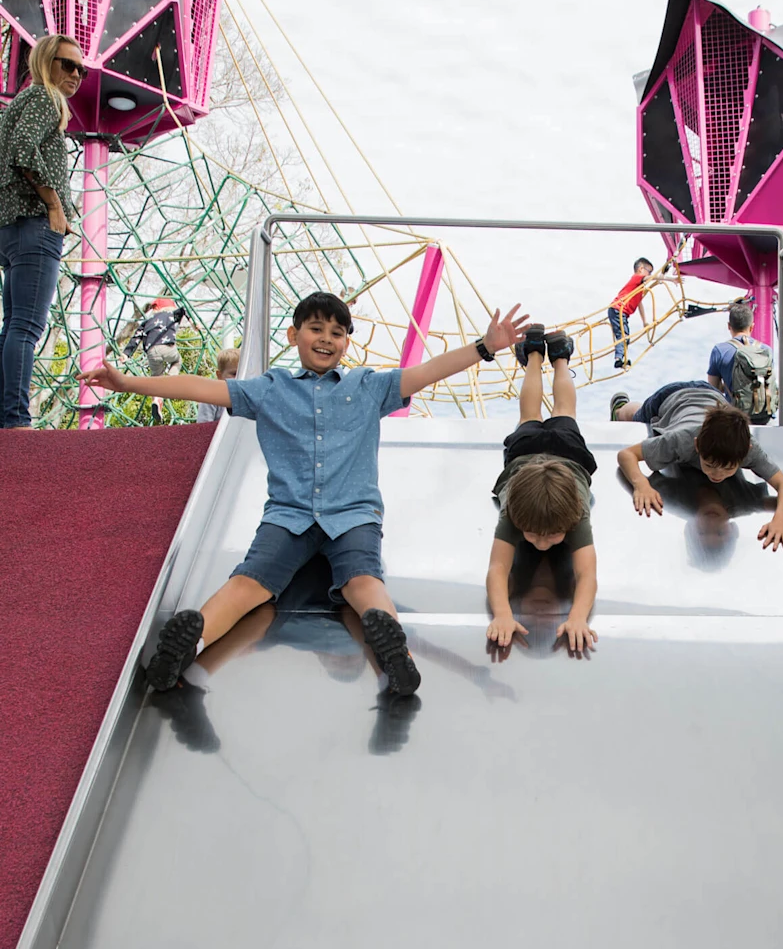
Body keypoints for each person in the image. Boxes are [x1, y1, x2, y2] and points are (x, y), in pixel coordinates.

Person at [85, 290, 529, 699]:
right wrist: (129, 384)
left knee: (364, 582)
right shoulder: (270, 389)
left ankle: (395, 653)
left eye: (338, 332)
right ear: (293, 334)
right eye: (316, 329)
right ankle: (189, 643)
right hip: (289, 516)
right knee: (248, 584)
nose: (327, 339)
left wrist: (485, 347)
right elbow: (201, 387)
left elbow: (426, 373)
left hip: (352, 515)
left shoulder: (367, 387)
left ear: (347, 344)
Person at [486, 327, 598, 655]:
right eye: (534, 536)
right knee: (555, 412)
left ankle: (543, 355)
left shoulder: (574, 514)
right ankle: (549, 356)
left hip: (535, 454)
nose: (543, 543)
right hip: (562, 453)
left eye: (551, 537)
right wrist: (502, 615)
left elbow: (588, 573)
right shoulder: (515, 514)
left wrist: (578, 618)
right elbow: (496, 570)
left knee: (535, 414)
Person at [0, 33, 84, 428]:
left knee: (14, 323)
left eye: (81, 69)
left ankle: (7, 414)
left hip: (11, 227)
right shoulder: (44, 99)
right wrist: (54, 205)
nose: (76, 75)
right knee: (27, 326)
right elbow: (22, 150)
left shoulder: (20, 103)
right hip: (34, 224)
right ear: (45, 63)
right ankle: (16, 418)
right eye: (67, 64)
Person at [610, 381, 783, 550]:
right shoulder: (681, 442)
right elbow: (627, 455)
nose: (711, 526)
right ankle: (620, 407)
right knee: (636, 415)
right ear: (697, 445)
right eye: (709, 465)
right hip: (671, 397)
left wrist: (781, 521)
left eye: (702, 533)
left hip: (714, 398)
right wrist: (641, 484)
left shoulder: (746, 449)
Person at [706, 298, 775, 423]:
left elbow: (713, 389)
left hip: (735, 419)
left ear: (729, 326)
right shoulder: (767, 350)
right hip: (764, 417)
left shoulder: (720, 350)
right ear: (752, 327)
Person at [124, 297, 186, 422]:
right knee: (177, 361)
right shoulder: (172, 314)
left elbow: (136, 338)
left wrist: (126, 354)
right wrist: (195, 324)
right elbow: (184, 310)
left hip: (151, 352)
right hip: (167, 348)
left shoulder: (147, 321)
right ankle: (171, 379)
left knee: (156, 378)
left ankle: (156, 399)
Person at [607, 257, 653, 370]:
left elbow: (639, 304)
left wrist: (645, 321)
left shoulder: (638, 288)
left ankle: (621, 360)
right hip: (618, 309)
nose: (650, 274)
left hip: (620, 312)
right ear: (641, 269)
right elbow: (654, 277)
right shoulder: (637, 278)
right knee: (623, 336)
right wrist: (668, 278)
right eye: (649, 271)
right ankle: (618, 359)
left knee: (625, 337)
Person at [196, 348, 240, 423]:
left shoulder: (247, 396)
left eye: (242, 373)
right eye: (234, 374)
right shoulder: (211, 397)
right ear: (220, 375)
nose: (239, 378)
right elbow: (203, 427)